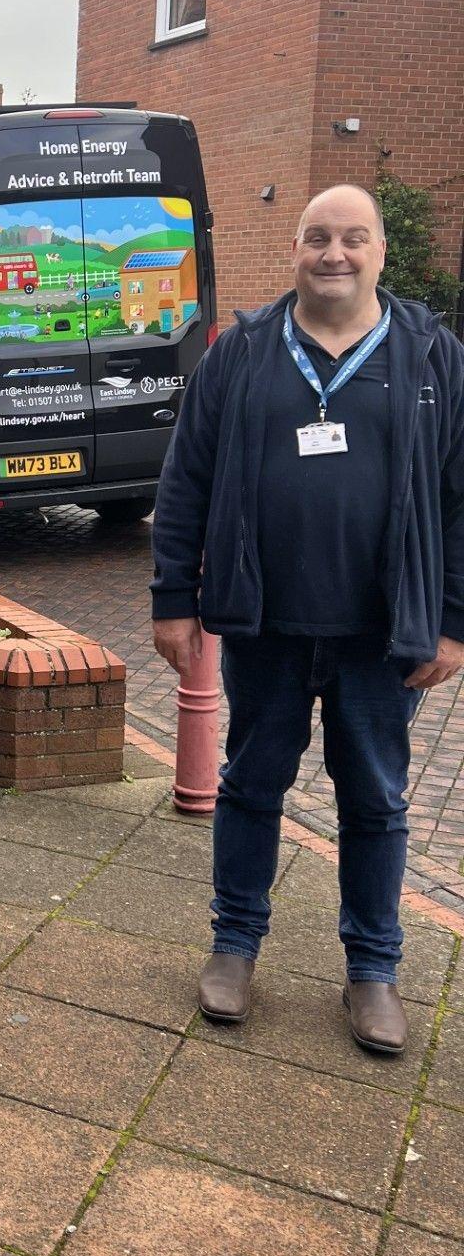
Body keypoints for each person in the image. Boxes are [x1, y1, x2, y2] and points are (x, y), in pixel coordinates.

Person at [151, 184, 464, 1053]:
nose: (334, 254)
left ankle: (373, 969)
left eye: (352, 238)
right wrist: (175, 599)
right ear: (294, 247)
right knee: (251, 787)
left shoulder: (432, 355)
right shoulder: (243, 353)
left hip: (381, 633)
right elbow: (186, 481)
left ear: (379, 252)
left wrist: (453, 622)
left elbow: (459, 498)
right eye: (318, 238)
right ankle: (234, 948)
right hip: (265, 623)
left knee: (375, 799)